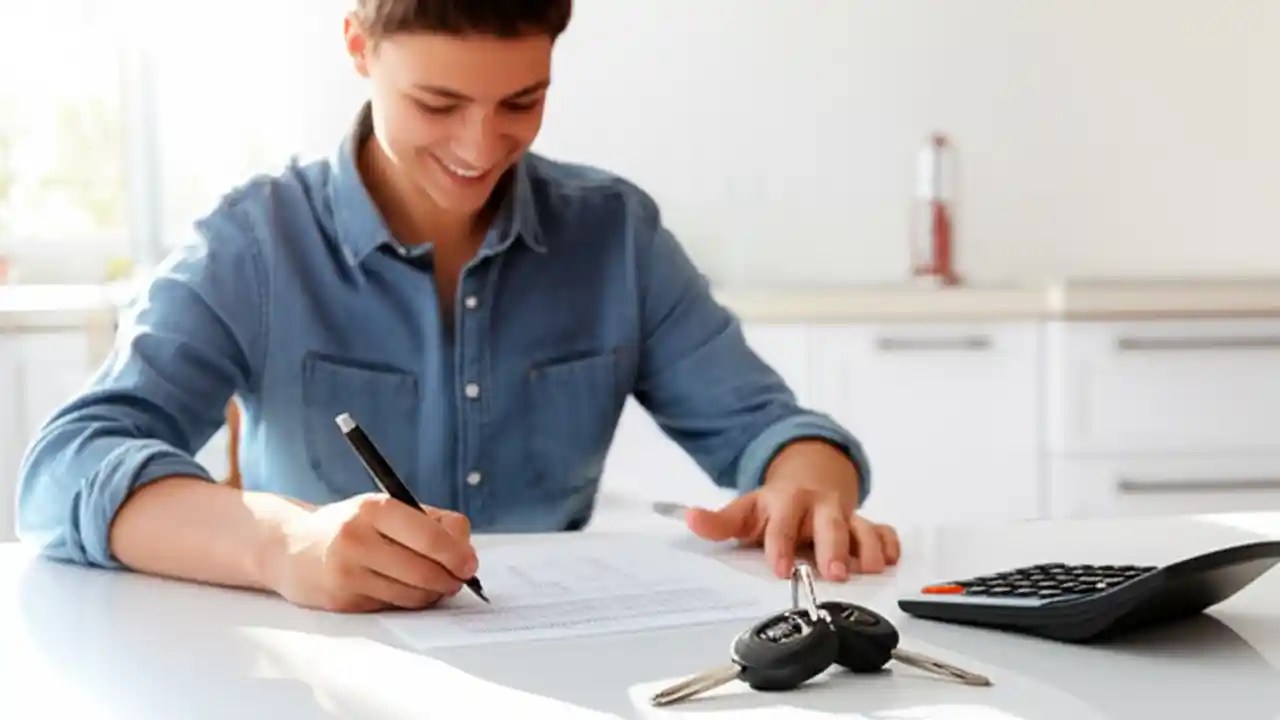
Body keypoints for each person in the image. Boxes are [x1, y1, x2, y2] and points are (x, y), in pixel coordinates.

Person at [15, 0, 900, 613]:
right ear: (360, 47)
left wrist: (805, 489)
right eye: (438, 103)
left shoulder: (614, 236)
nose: (482, 149)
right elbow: (62, 472)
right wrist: (281, 545)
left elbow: (777, 430)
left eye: (524, 100)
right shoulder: (257, 243)